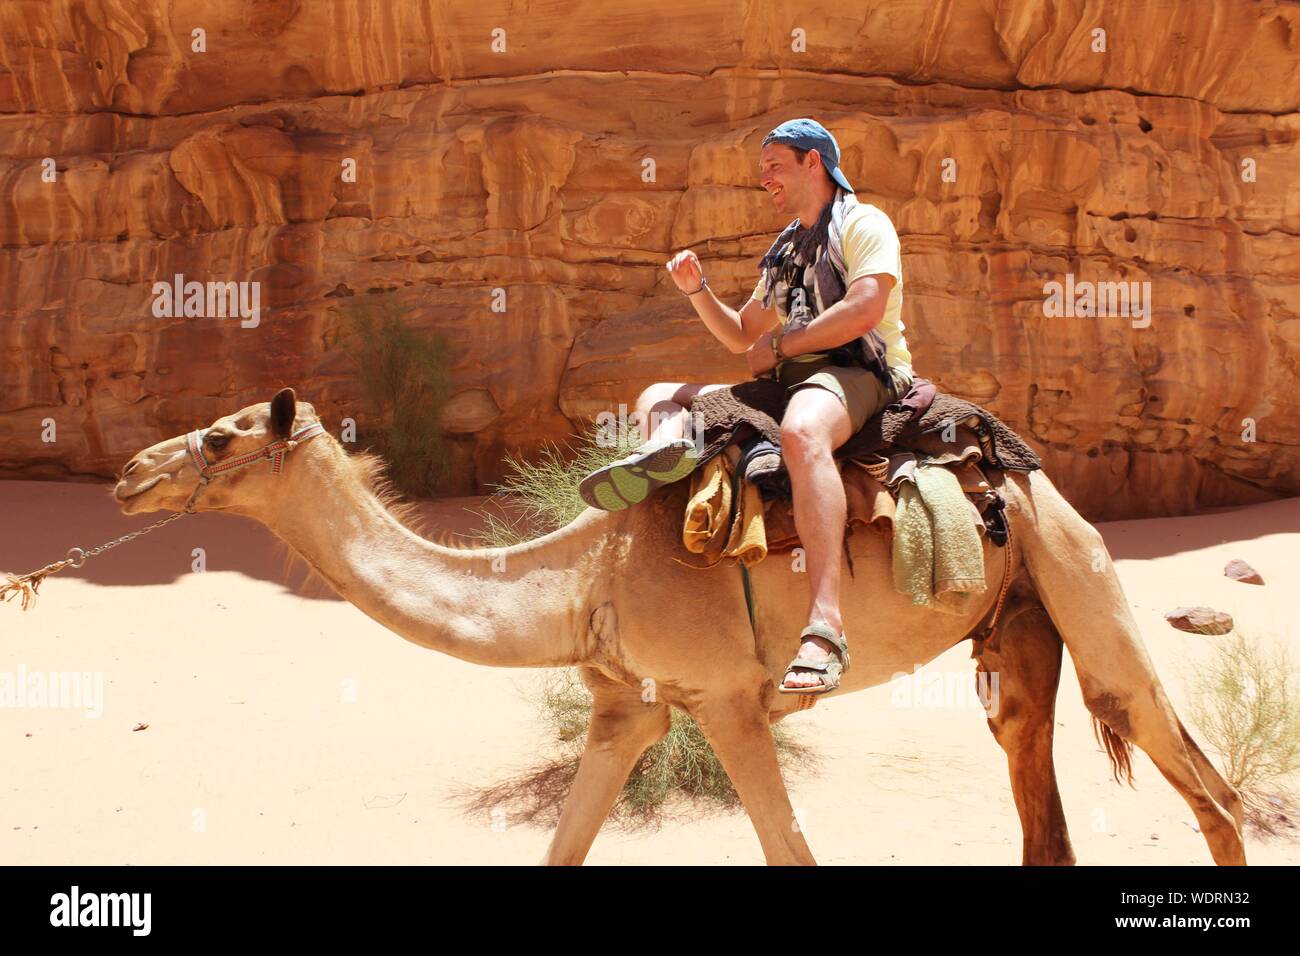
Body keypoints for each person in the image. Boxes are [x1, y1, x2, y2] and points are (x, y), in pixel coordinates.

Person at [578, 118, 914, 695]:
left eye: (774, 165)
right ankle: (665, 457)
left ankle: (826, 625)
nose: (765, 179)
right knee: (657, 397)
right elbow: (741, 335)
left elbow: (863, 309)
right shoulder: (788, 248)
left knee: (802, 432)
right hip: (793, 375)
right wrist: (696, 289)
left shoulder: (863, 223)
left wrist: (782, 345)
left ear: (814, 162)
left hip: (862, 370)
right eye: (763, 169)